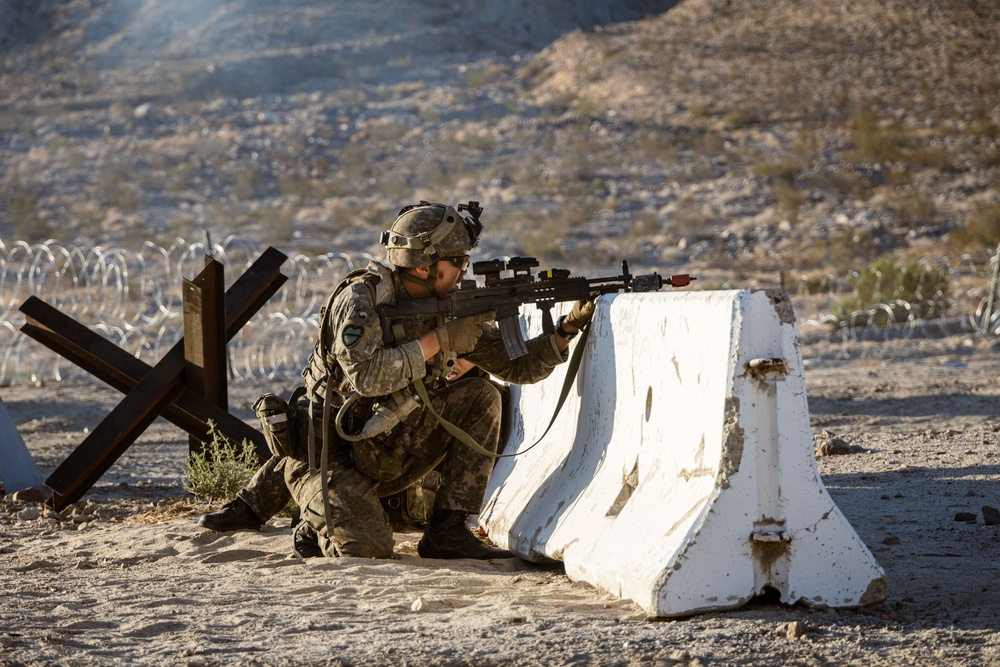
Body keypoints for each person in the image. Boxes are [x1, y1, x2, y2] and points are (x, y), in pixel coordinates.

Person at [198, 200, 593, 560]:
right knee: (366, 549)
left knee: (480, 395)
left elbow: (519, 367)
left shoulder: (441, 308)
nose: (463, 272)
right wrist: (437, 342)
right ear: (424, 266)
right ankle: (311, 523)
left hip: (385, 452)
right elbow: (365, 377)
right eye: (458, 261)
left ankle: (448, 532)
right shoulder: (361, 301)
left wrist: (565, 331)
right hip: (329, 456)